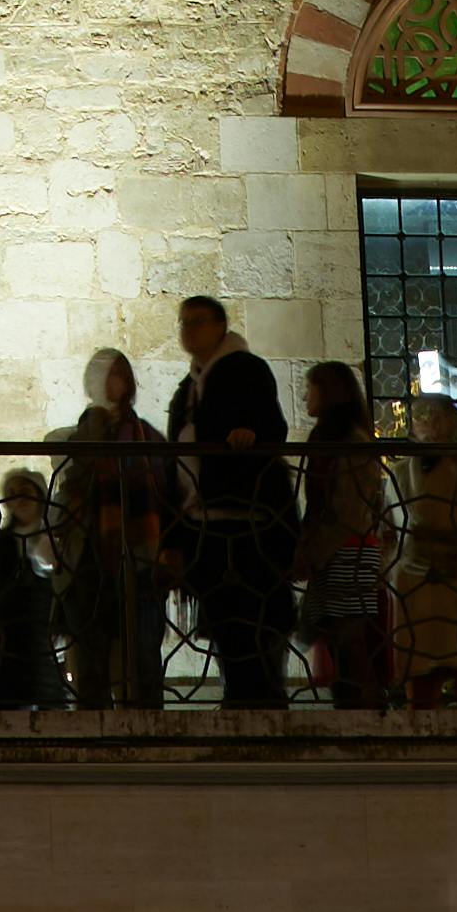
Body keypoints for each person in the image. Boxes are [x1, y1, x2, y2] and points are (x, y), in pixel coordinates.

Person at [167, 294, 299, 707]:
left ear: (221, 326)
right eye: (184, 322)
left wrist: (248, 435)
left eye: (198, 321)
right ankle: (242, 698)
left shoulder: (245, 370)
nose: (189, 329)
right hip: (207, 520)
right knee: (227, 623)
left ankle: (260, 703)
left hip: (247, 520)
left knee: (251, 620)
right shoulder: (190, 385)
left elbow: (271, 427)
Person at [54, 349, 176, 709]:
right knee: (91, 666)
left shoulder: (146, 438)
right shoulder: (76, 439)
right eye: (101, 375)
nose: (108, 383)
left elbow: (162, 495)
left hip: (138, 559)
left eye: (116, 374)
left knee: (141, 665)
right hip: (89, 561)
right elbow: (68, 487)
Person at [294, 360, 399, 714]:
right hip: (336, 553)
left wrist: (313, 554)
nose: (307, 395)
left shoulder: (351, 443)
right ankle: (353, 713)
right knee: (339, 642)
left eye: (312, 387)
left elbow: (349, 511)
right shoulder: (327, 438)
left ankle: (364, 718)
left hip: (347, 554)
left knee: (349, 642)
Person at [387, 390, 457, 702]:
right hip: (416, 580)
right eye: (424, 416)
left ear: (453, 423)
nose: (431, 424)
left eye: (439, 416)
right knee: (420, 668)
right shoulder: (398, 473)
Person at [0, 465, 64, 711]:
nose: (19, 499)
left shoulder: (57, 536)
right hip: (7, 642)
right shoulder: (2, 542)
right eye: (12, 493)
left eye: (25, 491)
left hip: (43, 639)